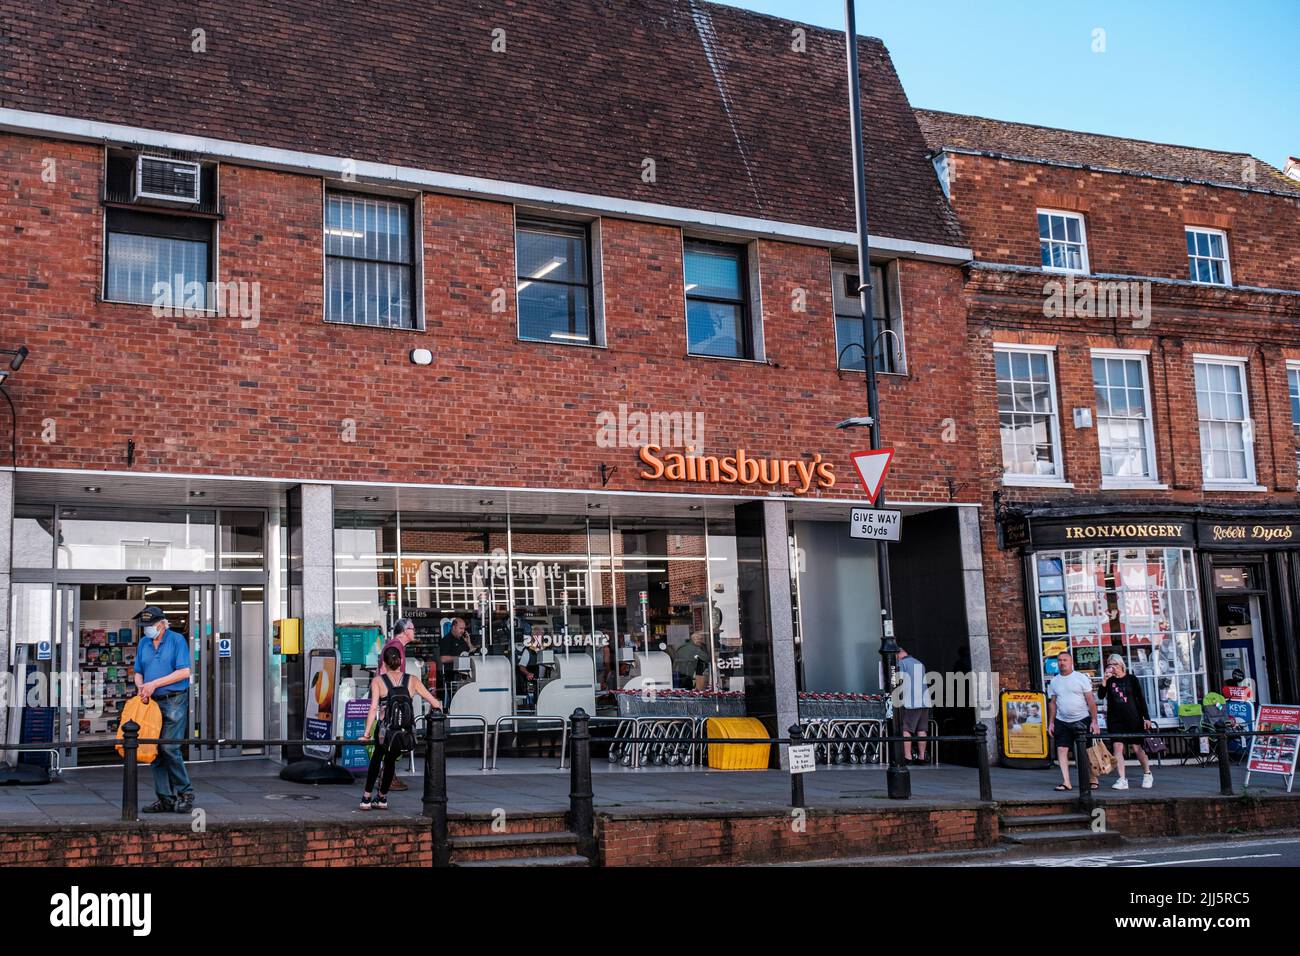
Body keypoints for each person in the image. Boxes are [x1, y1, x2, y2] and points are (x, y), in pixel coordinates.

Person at [360, 645, 442, 810]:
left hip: (384, 730)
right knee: (391, 762)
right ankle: (382, 798)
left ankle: (366, 798)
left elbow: (373, 708)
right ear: (401, 661)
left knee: (377, 760)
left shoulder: (378, 681)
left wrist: (366, 733)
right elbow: (434, 702)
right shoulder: (412, 680)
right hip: (403, 732)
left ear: (384, 663)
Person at [132, 605, 196, 813]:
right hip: (151, 701)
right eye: (144, 626)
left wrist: (154, 684)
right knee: (154, 750)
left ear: (162, 624)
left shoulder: (177, 640)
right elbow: (138, 671)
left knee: (169, 747)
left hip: (174, 700)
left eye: (150, 625)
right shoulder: (144, 643)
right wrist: (141, 685)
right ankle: (165, 798)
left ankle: (186, 792)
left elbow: (184, 672)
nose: (147, 629)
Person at [1099, 654, 1154, 790]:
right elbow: (1100, 696)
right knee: (1117, 747)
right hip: (1115, 719)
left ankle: (1147, 773)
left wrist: (1146, 717)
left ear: (1121, 664)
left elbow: (1140, 699)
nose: (1112, 667)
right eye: (1109, 665)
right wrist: (1104, 680)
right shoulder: (1110, 681)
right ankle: (1122, 778)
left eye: (1114, 664)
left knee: (1137, 748)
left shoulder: (1131, 679)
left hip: (1133, 718)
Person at [1047, 651, 1099, 791]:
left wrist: (1094, 721)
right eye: (1059, 660)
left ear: (1071, 663)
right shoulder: (1054, 681)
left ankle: (1092, 778)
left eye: (1064, 660)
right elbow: (1053, 703)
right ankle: (1066, 781)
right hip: (1062, 720)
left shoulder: (1080, 678)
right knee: (1062, 749)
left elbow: (1091, 701)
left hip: (1081, 719)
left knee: (1086, 751)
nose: (1061, 662)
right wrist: (1051, 722)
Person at [380, 618, 419, 790]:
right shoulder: (395, 647)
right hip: (391, 699)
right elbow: (385, 671)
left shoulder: (397, 647)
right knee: (391, 735)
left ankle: (387, 776)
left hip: (392, 697)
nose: (414, 631)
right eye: (412, 628)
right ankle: (386, 778)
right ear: (404, 631)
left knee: (390, 736)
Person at [896, 645, 930, 764]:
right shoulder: (919, 663)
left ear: (898, 655)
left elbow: (898, 681)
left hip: (911, 701)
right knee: (922, 729)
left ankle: (908, 757)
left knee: (906, 728)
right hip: (925, 701)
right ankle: (922, 756)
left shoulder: (902, 664)